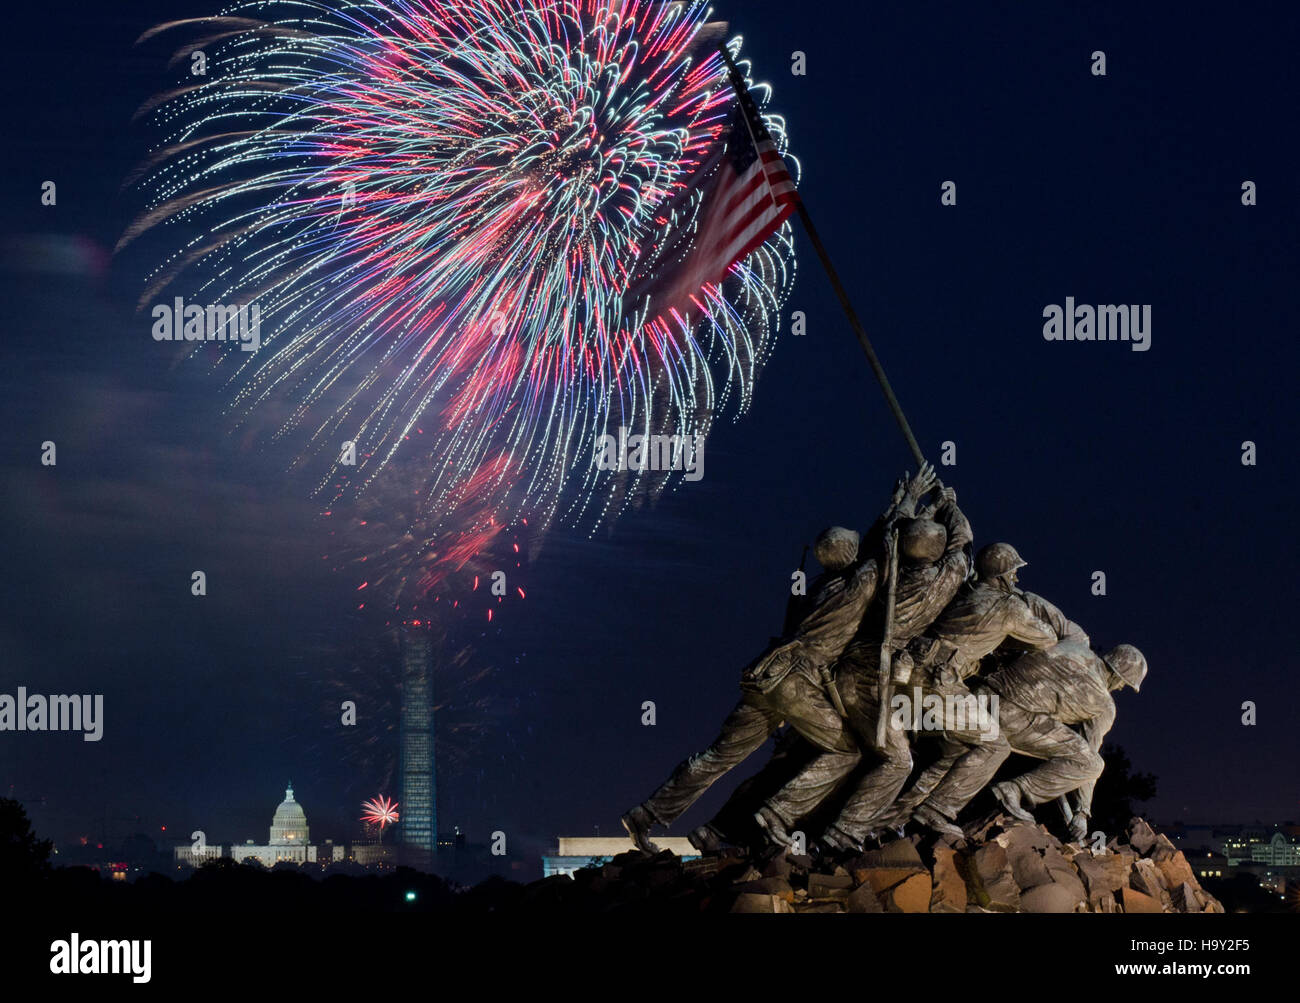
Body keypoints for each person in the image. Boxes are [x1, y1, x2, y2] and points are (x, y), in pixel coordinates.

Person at [620, 467, 938, 853]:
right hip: (796, 681)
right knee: (847, 750)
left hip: (765, 674)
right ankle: (775, 815)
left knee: (719, 756)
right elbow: (883, 547)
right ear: (851, 556)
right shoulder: (859, 584)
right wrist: (906, 502)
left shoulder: (819, 587)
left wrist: (898, 504)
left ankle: (647, 814)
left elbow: (872, 547)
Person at [982, 640, 1147, 841]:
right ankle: (1014, 790)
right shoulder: (1102, 703)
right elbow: (1088, 753)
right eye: (1123, 683)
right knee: (1091, 764)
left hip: (983, 696)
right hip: (1010, 717)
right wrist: (1081, 812)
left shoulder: (1073, 648)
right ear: (1116, 675)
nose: (1121, 688)